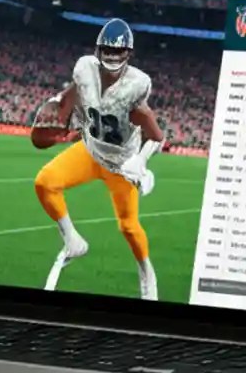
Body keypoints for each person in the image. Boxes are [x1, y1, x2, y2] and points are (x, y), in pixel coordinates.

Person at [31, 18, 165, 300]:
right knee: (45, 182)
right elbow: (74, 91)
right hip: (91, 150)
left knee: (128, 227)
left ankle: (146, 271)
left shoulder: (137, 84)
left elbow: (156, 134)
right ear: (98, 50)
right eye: (108, 50)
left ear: (128, 54)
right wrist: (56, 101)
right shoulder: (84, 68)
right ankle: (72, 241)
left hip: (120, 163)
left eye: (118, 52)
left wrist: (140, 162)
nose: (112, 57)